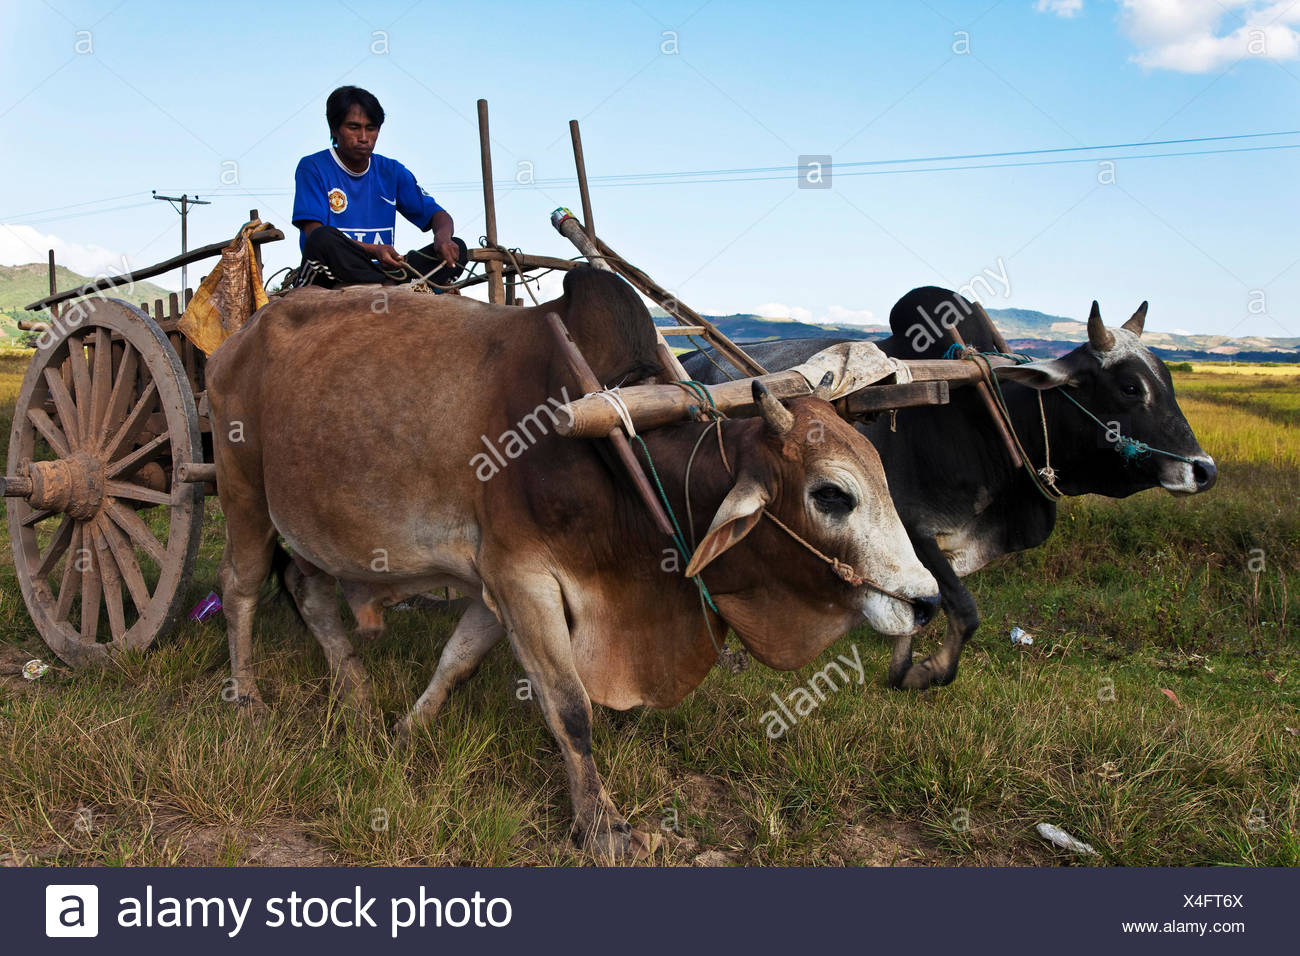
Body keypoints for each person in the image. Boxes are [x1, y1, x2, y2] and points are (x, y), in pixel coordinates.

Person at [291, 86, 468, 289]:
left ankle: (389, 285)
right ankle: (391, 286)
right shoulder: (313, 167)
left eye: (371, 128)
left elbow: (438, 215)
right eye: (354, 127)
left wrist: (442, 239)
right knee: (322, 239)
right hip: (333, 272)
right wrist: (374, 250)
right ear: (334, 129)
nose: (364, 137)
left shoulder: (391, 171)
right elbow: (313, 232)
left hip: (383, 271)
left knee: (458, 248)